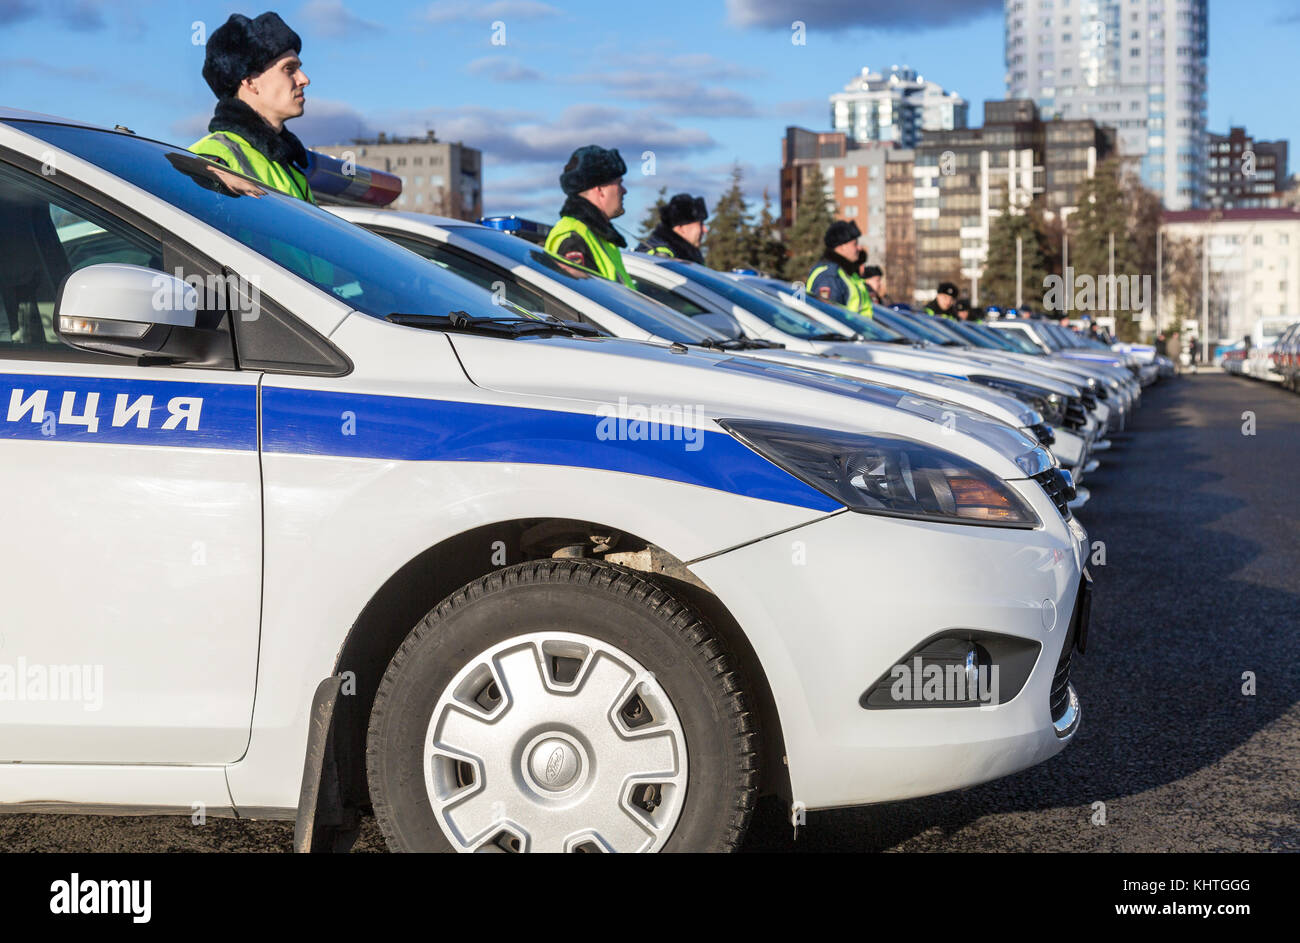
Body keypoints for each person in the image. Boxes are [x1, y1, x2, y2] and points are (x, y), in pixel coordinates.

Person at [190, 12, 315, 203]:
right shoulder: (210, 159)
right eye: (289, 69)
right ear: (250, 82)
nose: (304, 80)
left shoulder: (292, 171)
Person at [544, 145, 634, 288]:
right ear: (600, 189)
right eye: (619, 184)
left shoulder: (599, 235)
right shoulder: (574, 238)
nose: (624, 191)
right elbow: (580, 303)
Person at [806, 220, 869, 314]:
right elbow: (827, 317)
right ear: (841, 247)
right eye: (854, 244)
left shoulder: (846, 273)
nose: (859, 248)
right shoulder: (829, 276)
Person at [636, 193, 707, 264]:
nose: (705, 230)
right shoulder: (660, 256)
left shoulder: (692, 256)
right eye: (700, 224)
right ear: (681, 228)